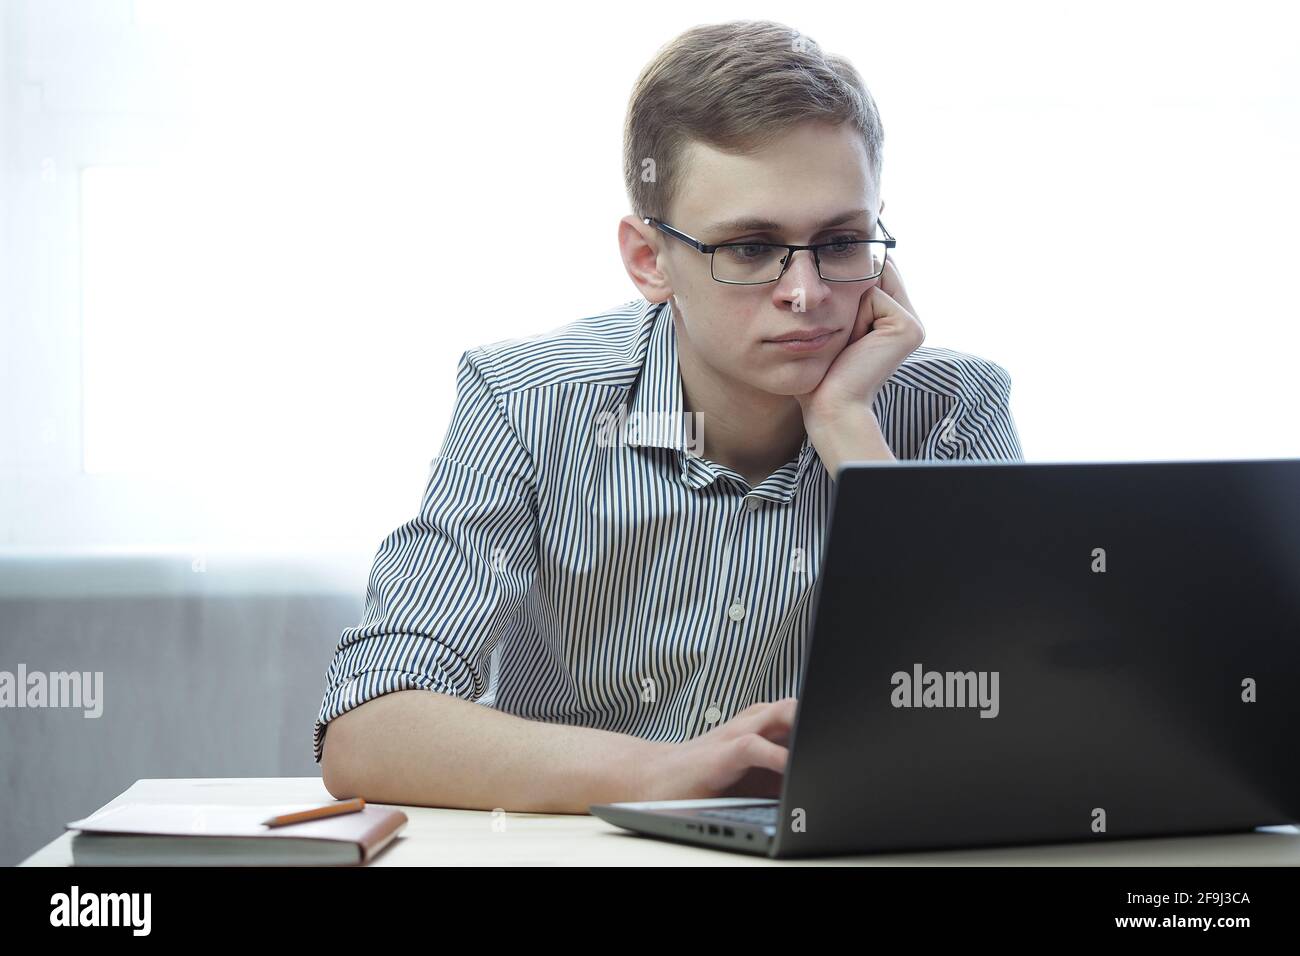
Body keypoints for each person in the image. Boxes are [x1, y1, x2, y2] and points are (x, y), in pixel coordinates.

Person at [317, 19, 1023, 814]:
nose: (807, 293)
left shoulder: (954, 410)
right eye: (751, 248)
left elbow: (1015, 712)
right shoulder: (525, 402)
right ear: (649, 259)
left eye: (841, 241)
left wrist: (850, 432)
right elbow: (368, 728)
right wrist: (665, 773)